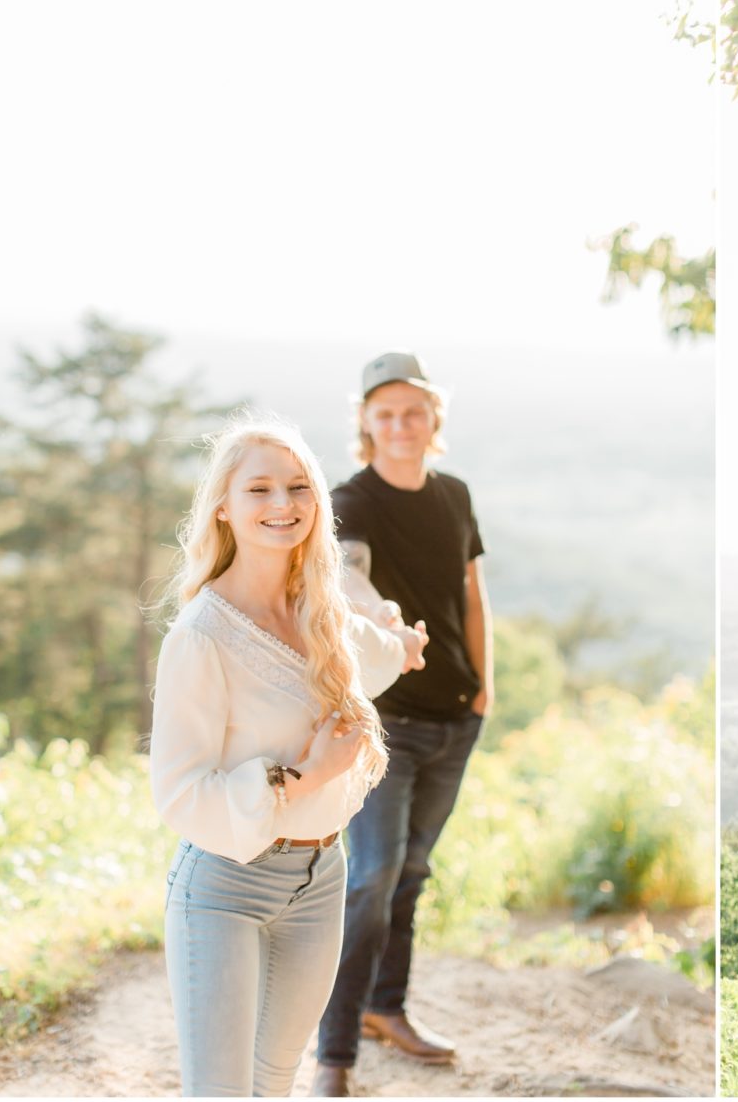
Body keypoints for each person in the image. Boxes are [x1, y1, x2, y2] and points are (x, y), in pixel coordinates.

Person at [150, 415, 428, 1097]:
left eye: (298, 487)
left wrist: (407, 645)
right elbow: (180, 792)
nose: (282, 504)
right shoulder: (202, 635)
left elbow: (379, 649)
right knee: (222, 1089)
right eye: (260, 489)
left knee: (275, 1082)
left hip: (321, 880)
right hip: (223, 888)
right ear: (224, 505)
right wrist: (308, 774)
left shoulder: (322, 612)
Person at [313, 352, 492, 1097]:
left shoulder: (454, 494)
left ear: (432, 418)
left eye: (412, 411)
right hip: (387, 724)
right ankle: (334, 1051)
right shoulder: (351, 499)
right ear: (365, 421)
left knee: (412, 873)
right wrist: (379, 610)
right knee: (373, 877)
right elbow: (348, 576)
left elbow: (472, 595)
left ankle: (390, 1009)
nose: (399, 425)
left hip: (457, 715)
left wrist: (485, 690)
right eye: (384, 412)